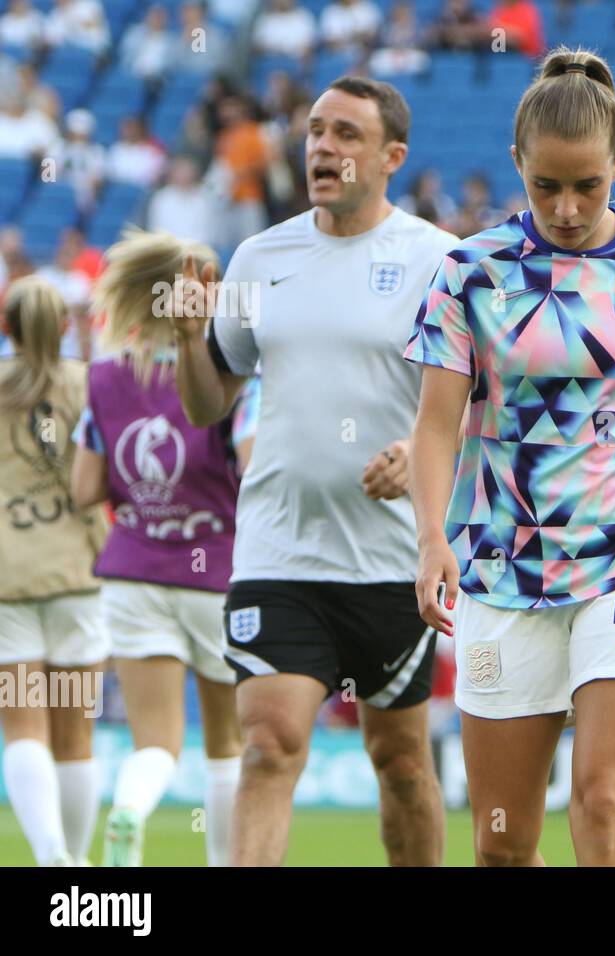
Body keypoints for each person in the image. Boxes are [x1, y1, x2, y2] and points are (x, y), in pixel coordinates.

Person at [406, 47, 615, 867]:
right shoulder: (467, 273)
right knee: (503, 844)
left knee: (601, 800)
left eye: (587, 185)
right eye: (544, 184)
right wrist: (430, 538)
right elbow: (436, 425)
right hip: (502, 565)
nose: (564, 206)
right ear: (516, 163)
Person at [170, 76, 458, 867]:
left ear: (392, 156)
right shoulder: (261, 256)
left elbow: (472, 402)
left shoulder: (438, 260)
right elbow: (207, 404)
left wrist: (415, 452)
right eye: (315, 132)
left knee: (401, 767)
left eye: (347, 135)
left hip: (390, 563)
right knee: (268, 747)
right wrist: (189, 339)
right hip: (277, 555)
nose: (323, 148)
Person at [69, 230, 257, 867]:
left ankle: (129, 811)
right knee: (227, 745)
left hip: (131, 572)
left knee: (155, 744)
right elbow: (255, 472)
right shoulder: (231, 376)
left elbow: (84, 486)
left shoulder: (102, 378)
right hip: (217, 573)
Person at [0, 277, 109, 867]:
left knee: (23, 728)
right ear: (65, 325)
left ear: (7, 327)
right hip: (79, 574)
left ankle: (48, 854)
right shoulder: (90, 384)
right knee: (75, 738)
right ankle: (74, 865)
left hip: (7, 580)